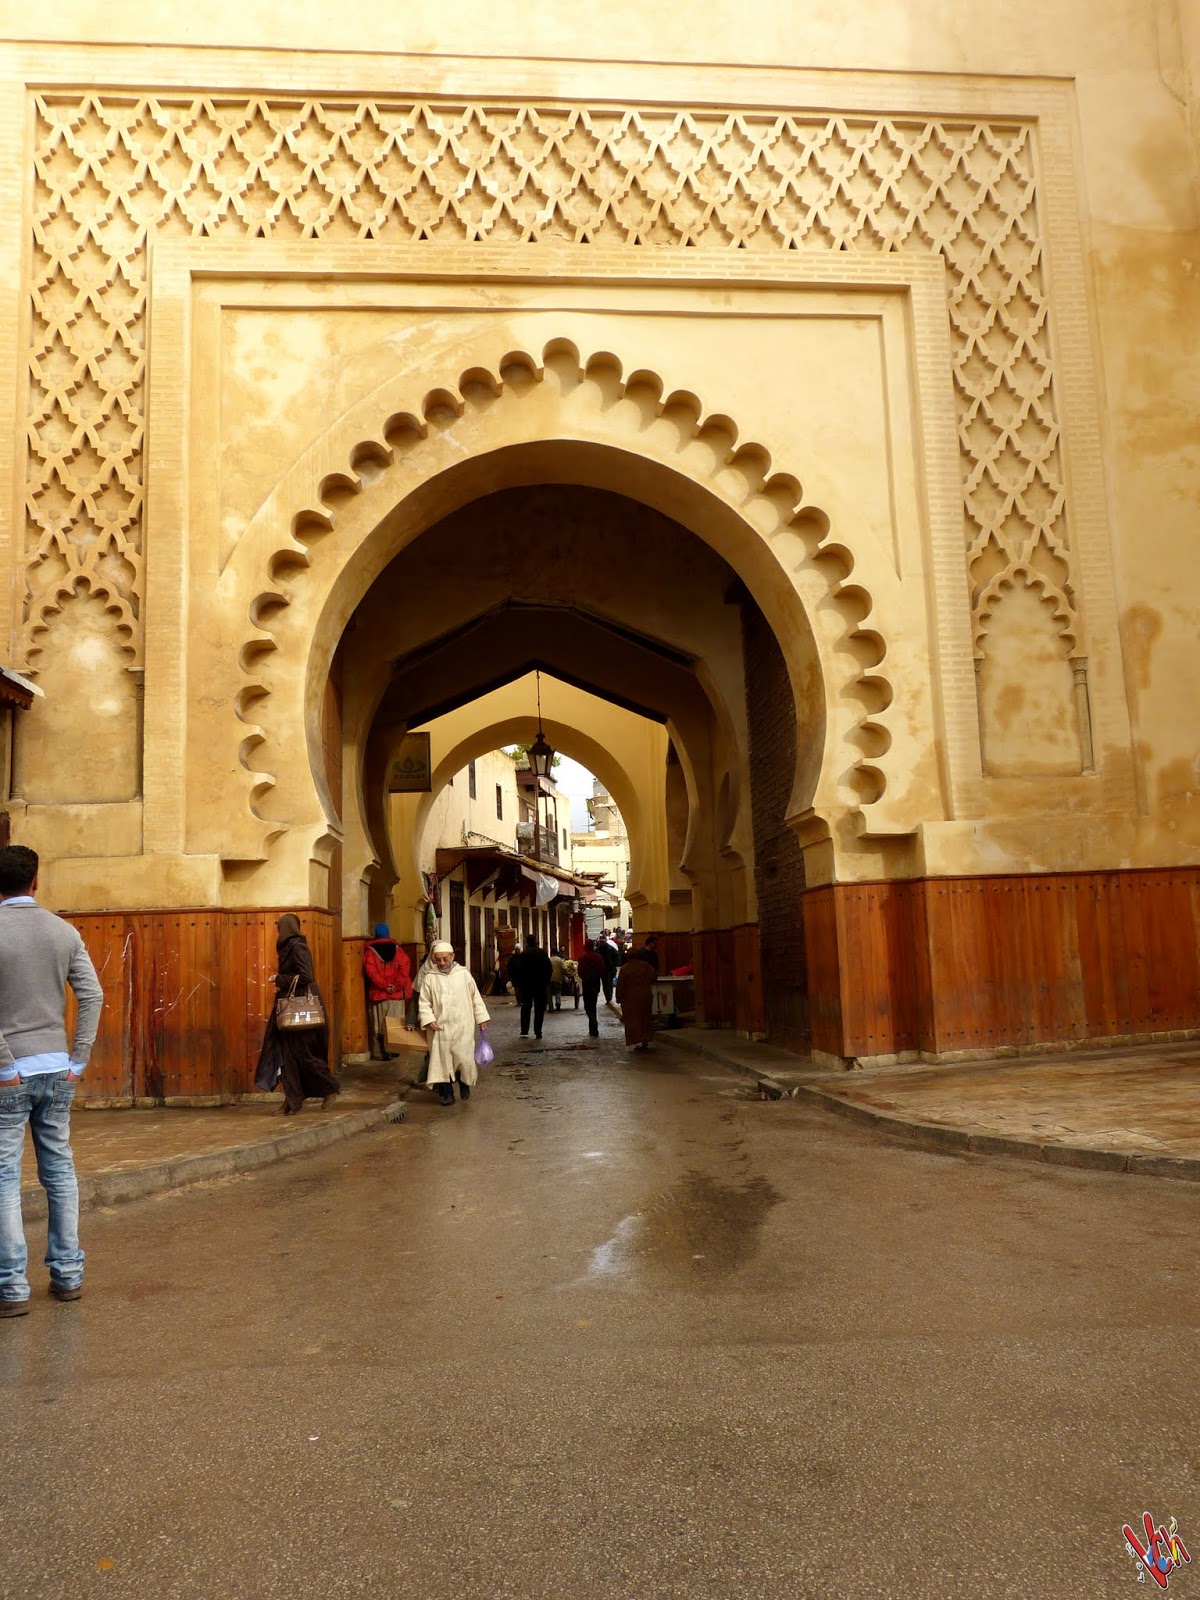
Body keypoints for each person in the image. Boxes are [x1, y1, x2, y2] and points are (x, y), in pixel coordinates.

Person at [0, 844, 103, 1314]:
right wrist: (76, 1060)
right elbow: (92, 995)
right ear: (35, 881)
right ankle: (68, 1275)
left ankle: (12, 1286)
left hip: (9, 1076)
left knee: (4, 1178)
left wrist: (5, 1065)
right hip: (55, 1070)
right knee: (59, 1172)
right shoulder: (64, 932)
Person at [255, 913, 340, 1114]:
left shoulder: (297, 947)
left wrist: (279, 979)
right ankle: (292, 1101)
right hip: (291, 1008)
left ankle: (330, 1088)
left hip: (300, 1011)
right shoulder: (290, 946)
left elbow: (306, 976)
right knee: (288, 1056)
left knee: (303, 1054)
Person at [418, 941, 489, 1106]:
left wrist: (481, 1018)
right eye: (438, 959)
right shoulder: (430, 978)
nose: (442, 963)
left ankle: (465, 1084)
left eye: (445, 959)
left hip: (463, 1026)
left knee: (463, 1059)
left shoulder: (463, 974)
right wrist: (428, 1019)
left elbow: (475, 998)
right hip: (440, 1029)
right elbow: (424, 1003)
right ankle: (447, 1094)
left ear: (452, 957)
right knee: (442, 1062)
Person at [362, 922, 412, 1060]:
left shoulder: (370, 953)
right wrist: (395, 986)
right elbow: (404, 971)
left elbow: (371, 972)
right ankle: (395, 1048)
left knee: (380, 1023)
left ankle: (384, 1051)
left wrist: (385, 985)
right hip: (396, 995)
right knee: (396, 1022)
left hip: (380, 994)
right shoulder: (399, 951)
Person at [508, 936, 553, 1039]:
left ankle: (524, 1030)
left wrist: (519, 984)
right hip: (540, 985)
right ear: (536, 942)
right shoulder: (542, 953)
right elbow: (549, 968)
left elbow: (518, 970)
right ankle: (538, 1031)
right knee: (539, 1009)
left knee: (526, 1007)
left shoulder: (523, 955)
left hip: (527, 985)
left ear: (527, 942)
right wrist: (546, 981)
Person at [615, 945, 656, 1051]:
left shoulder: (625, 969)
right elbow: (653, 977)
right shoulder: (646, 966)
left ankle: (637, 1040)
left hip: (630, 998)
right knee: (645, 1018)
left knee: (633, 1020)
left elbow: (621, 985)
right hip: (645, 996)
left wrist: (618, 997)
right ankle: (645, 1040)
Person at [578, 939, 606, 1039]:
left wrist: (585, 977)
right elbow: (602, 969)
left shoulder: (582, 957)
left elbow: (580, 971)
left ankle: (592, 1021)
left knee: (587, 1004)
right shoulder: (598, 957)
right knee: (593, 1004)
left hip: (586, 983)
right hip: (595, 984)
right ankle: (593, 1025)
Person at [596, 932, 618, 1003]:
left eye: (602, 941)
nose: (601, 943)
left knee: (608, 983)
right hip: (601, 969)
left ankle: (609, 997)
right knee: (605, 984)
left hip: (609, 969)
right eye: (600, 941)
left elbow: (616, 957)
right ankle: (608, 997)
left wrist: (614, 965)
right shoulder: (598, 949)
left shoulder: (610, 949)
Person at [548, 947, 566, 1012]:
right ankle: (558, 1004)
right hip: (558, 978)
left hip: (549, 979)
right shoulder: (560, 960)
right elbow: (564, 969)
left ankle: (550, 1007)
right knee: (558, 991)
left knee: (549, 993)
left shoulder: (548, 960)